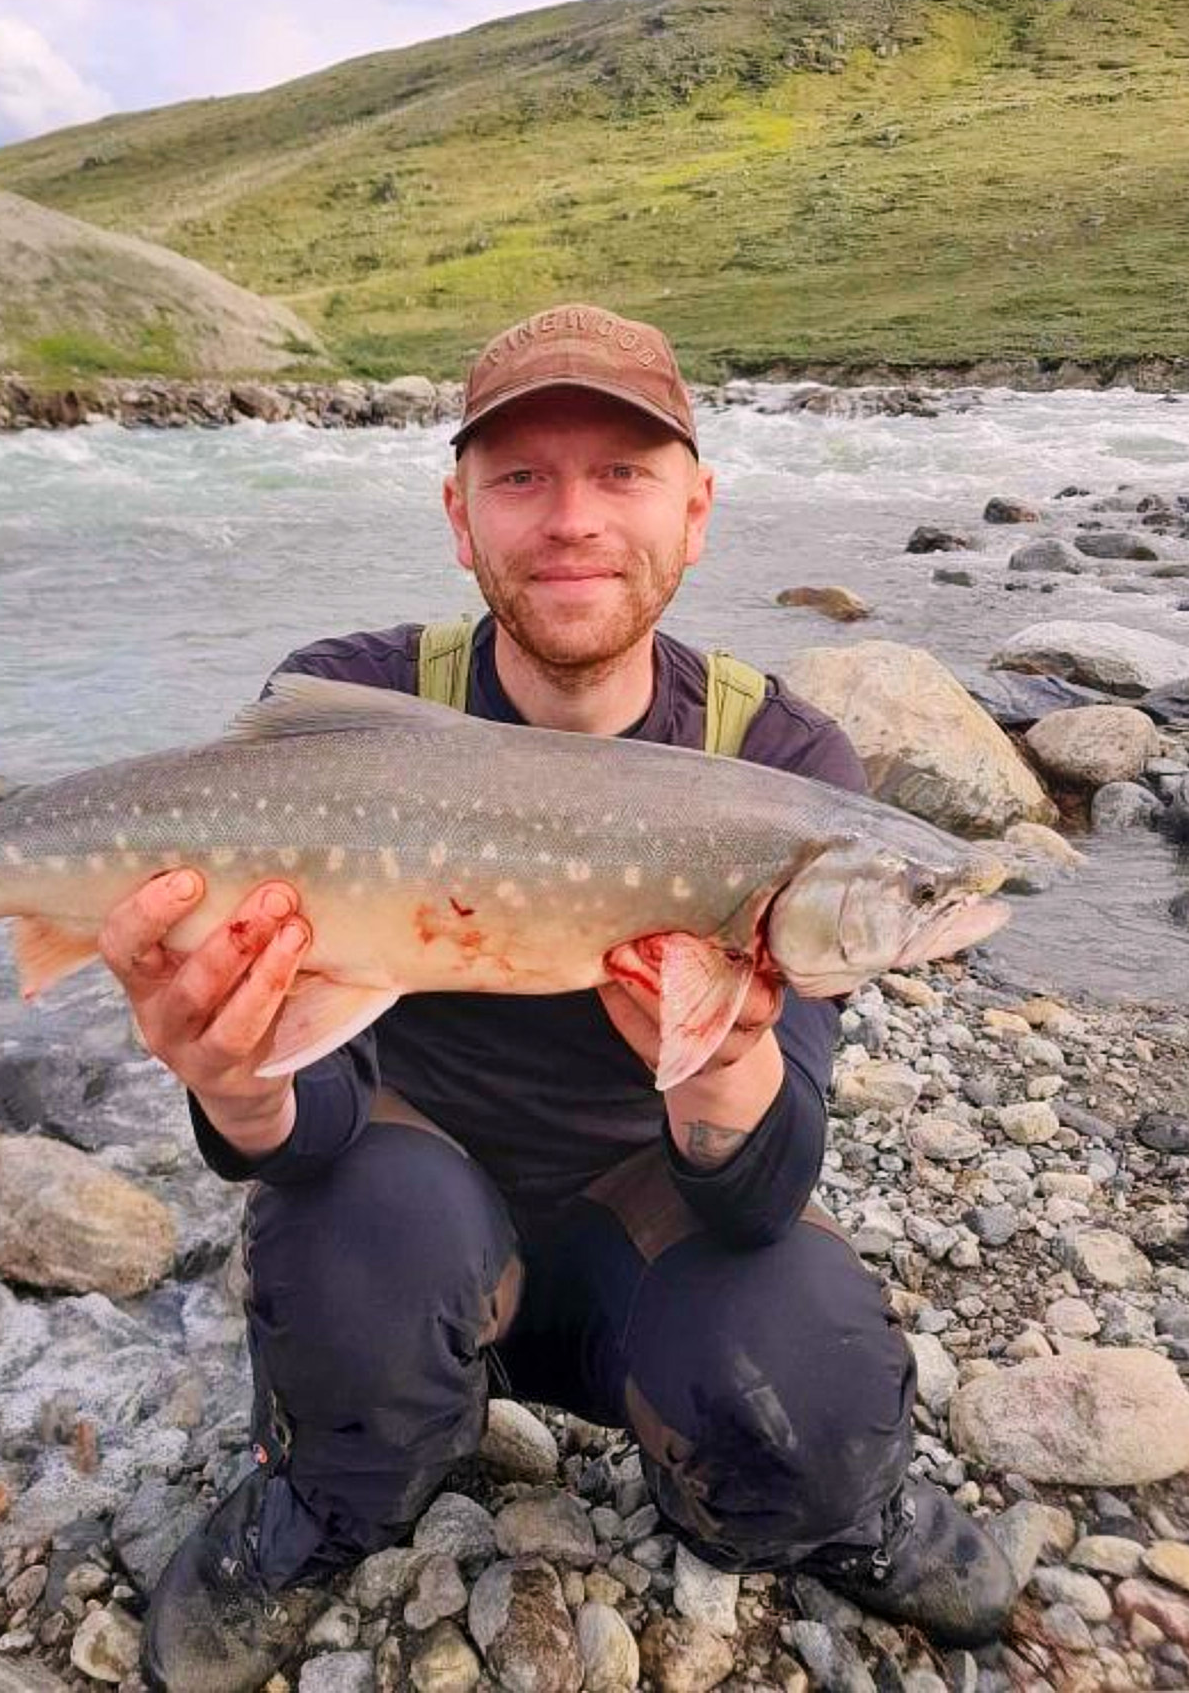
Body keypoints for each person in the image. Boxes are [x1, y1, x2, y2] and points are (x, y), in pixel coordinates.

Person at [99, 304, 1019, 1693]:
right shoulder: (349, 710)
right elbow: (304, 1120)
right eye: (521, 475)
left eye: (622, 473)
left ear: (695, 508)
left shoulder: (779, 761)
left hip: (649, 1233)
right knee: (358, 1249)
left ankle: (842, 1498)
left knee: (810, 1407)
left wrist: (721, 1077)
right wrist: (231, 1079)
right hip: (402, 1206)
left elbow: (759, 1191)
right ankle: (330, 1495)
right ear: (459, 516)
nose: (571, 517)